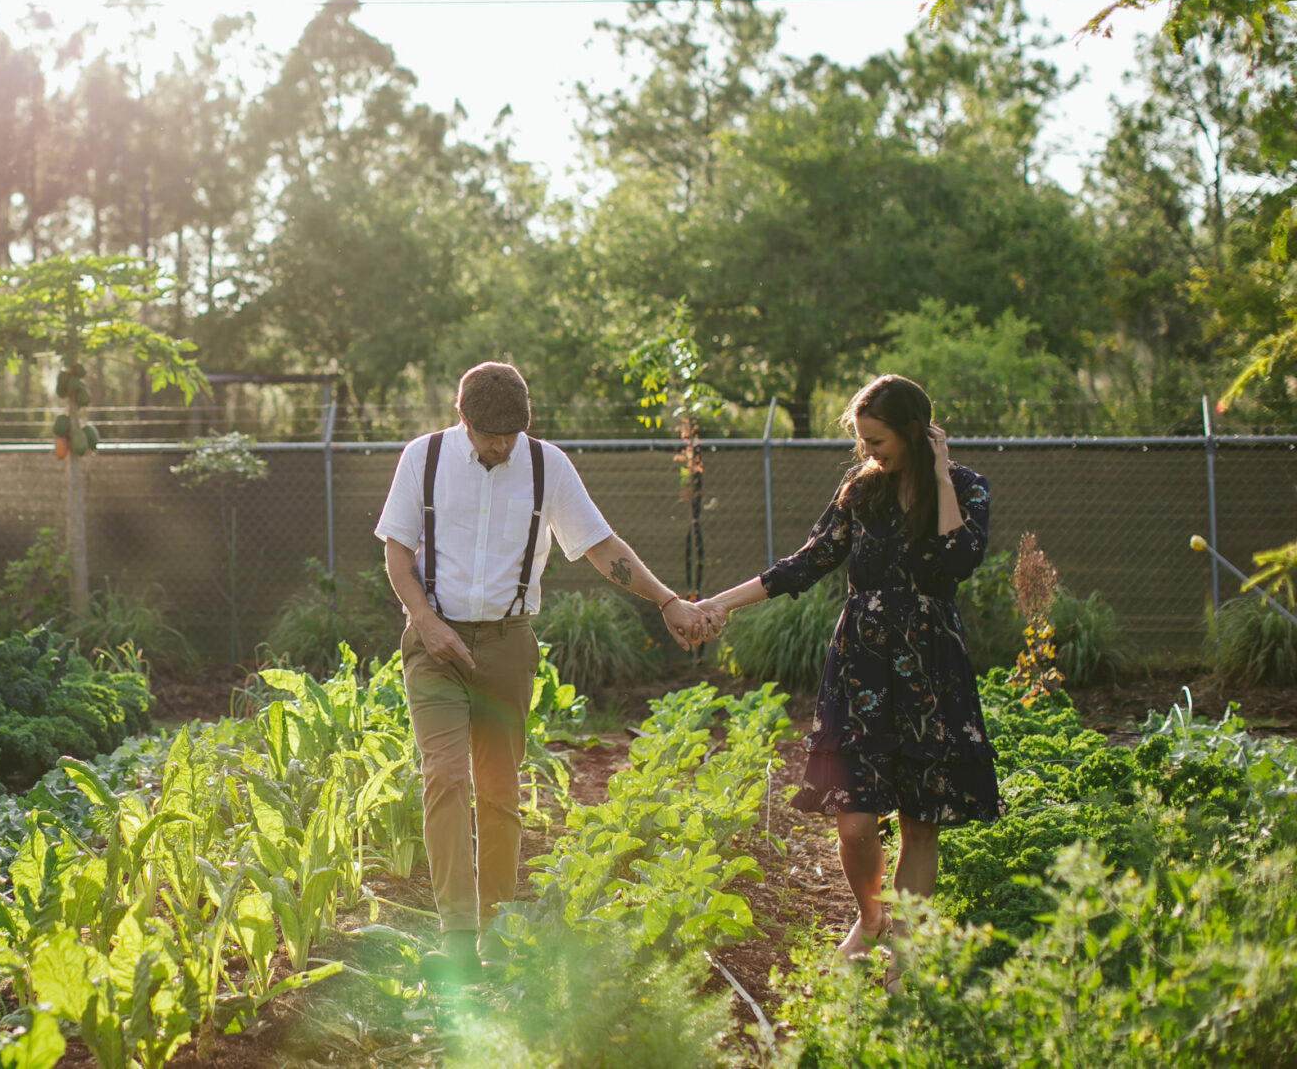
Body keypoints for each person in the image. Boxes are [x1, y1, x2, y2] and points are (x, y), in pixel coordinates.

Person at [375, 361, 712, 983]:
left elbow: (602, 546)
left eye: (512, 434)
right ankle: (457, 939)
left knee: (499, 790)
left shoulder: (546, 465)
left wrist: (667, 600)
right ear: (461, 417)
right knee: (445, 776)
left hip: (508, 645)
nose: (502, 446)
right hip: (433, 643)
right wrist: (424, 620)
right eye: (490, 435)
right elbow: (396, 551)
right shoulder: (423, 457)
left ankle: (498, 933)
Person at [696, 374, 1002, 966]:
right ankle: (871, 917)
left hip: (931, 672)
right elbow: (808, 561)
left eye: (878, 441)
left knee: (920, 823)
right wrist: (718, 604)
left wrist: (940, 476)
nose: (869, 452)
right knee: (855, 823)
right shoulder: (861, 491)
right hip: (862, 670)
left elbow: (957, 562)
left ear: (914, 432)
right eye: (862, 440)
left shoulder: (965, 487)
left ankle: (905, 958)